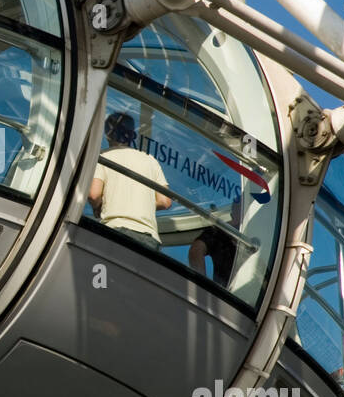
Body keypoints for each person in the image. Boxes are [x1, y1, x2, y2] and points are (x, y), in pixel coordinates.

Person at [88, 112, 171, 251]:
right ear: (132, 134)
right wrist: (141, 201)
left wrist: (100, 205)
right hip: (149, 237)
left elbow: (94, 195)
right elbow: (165, 201)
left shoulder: (103, 157)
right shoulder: (150, 160)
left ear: (107, 134)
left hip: (116, 230)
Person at [190, 197, 242, 286]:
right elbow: (196, 250)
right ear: (232, 214)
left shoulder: (260, 241)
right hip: (224, 292)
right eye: (237, 210)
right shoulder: (220, 232)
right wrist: (202, 286)